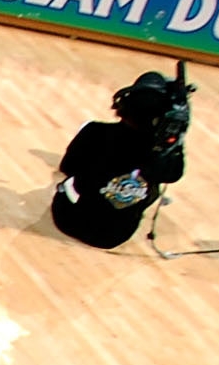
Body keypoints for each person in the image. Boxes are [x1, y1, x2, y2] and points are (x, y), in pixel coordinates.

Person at [49, 70, 186, 248]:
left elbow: (68, 167)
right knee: (154, 187)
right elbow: (173, 175)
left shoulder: (94, 131)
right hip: (115, 236)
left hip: (66, 220)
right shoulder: (159, 153)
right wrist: (175, 140)